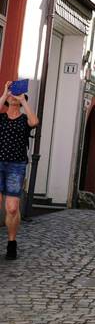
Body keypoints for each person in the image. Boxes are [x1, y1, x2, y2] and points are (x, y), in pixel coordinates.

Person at [0, 80, 39, 260]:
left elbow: (35, 121)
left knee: (13, 208)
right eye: (12, 97)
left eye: (18, 96)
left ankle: (11, 243)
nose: (14, 98)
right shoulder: (1, 118)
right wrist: (5, 93)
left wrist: (23, 100)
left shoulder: (24, 119)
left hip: (16, 165)